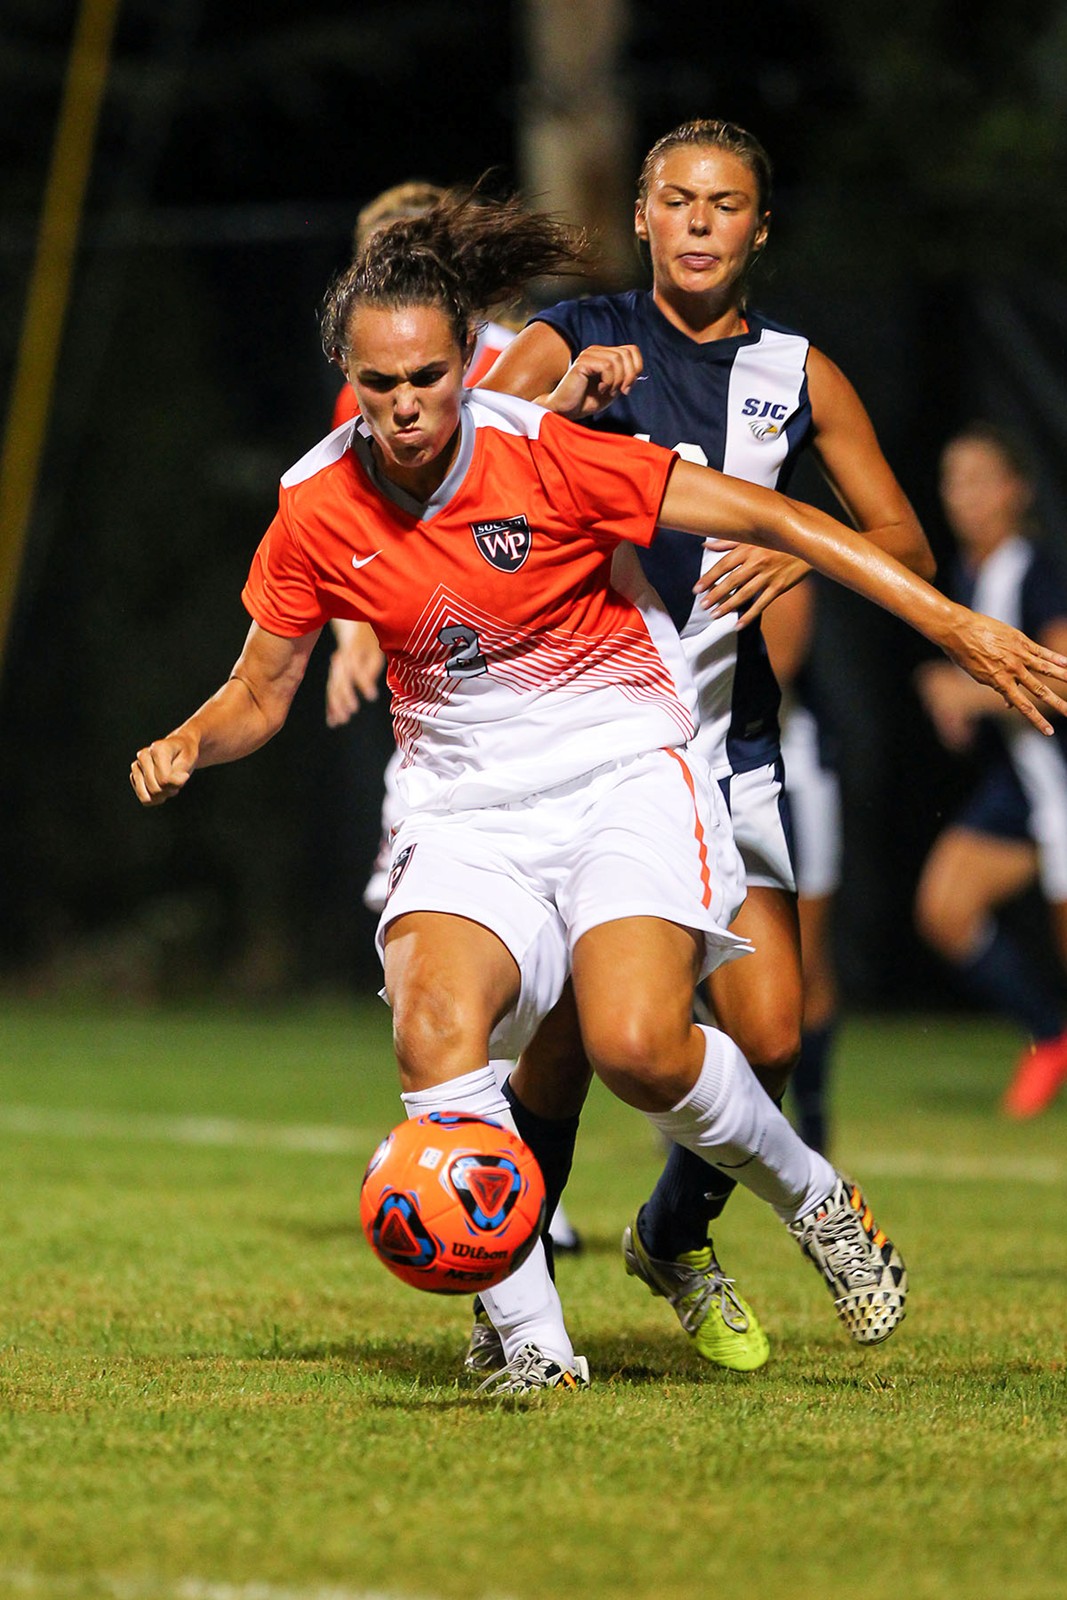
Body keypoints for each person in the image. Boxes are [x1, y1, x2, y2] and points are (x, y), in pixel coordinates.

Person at [130, 188, 1066, 1394]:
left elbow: (774, 514)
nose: (407, 405)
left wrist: (958, 627)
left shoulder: (544, 451)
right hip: (463, 805)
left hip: (620, 766)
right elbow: (259, 689)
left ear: (464, 363)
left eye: (426, 376)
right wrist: (191, 742)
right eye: (378, 385)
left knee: (635, 1046)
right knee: (431, 1028)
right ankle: (532, 1349)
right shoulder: (315, 505)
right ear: (347, 378)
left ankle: (813, 1196)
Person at [478, 118, 927, 1371]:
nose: (695, 220)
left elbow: (902, 541)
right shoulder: (567, 337)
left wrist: (794, 542)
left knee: (772, 1034)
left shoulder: (798, 372)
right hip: (590, 748)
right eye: (674, 198)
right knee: (569, 1039)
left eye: (722, 203)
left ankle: (670, 1236)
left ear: (757, 228)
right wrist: (559, 401)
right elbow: (465, 461)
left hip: (730, 754)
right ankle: (509, 1313)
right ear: (639, 214)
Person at [322, 178, 582, 1255]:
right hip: (440, 729)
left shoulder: (529, 357)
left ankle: (507, 1168)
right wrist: (349, 636)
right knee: (426, 970)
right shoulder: (370, 396)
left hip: (566, 719)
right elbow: (364, 532)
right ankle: (489, 1176)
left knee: (576, 998)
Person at [915, 421, 1067, 1118]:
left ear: (1016, 491)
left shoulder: (1037, 571)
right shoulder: (965, 577)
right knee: (944, 910)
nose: (964, 496)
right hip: (1019, 787)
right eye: (953, 480)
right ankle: (1047, 1033)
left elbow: (1057, 682)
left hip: (1055, 780)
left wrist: (967, 696)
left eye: (980, 479)